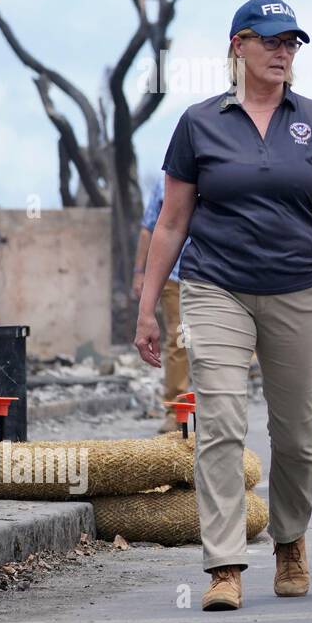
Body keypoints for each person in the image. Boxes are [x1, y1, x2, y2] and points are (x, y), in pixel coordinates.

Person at [134, 0, 312, 612]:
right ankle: (224, 564)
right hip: (216, 285)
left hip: (301, 288)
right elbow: (171, 222)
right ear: (238, 45)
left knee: (297, 435)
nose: (283, 52)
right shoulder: (200, 123)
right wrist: (146, 308)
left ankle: (290, 541)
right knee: (219, 422)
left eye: (291, 43)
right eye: (271, 41)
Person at [133, 174, 189, 432]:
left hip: (215, 274)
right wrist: (139, 272)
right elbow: (149, 228)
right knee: (179, 340)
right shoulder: (165, 182)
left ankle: (215, 413)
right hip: (175, 274)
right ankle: (176, 412)